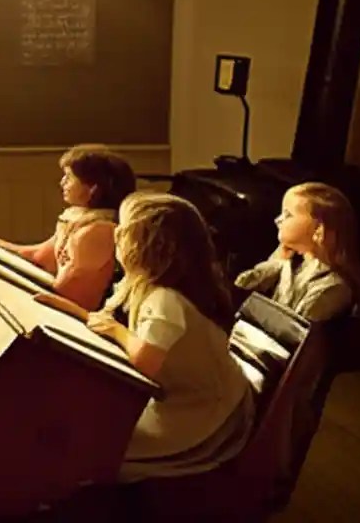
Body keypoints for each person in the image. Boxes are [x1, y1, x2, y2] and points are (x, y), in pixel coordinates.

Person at [37, 192, 254, 481]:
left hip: (200, 416)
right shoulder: (142, 286)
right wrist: (75, 312)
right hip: (188, 399)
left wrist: (116, 331)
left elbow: (147, 359)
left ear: (151, 246)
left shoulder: (165, 299)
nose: (116, 233)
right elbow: (103, 322)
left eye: (125, 229)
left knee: (94, 445)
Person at [0, 144, 136, 312]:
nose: (62, 182)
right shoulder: (76, 220)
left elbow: (71, 296)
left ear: (92, 189)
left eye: (69, 177)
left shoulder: (98, 231)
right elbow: (38, 256)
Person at [233, 182, 360, 322]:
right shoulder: (294, 262)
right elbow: (243, 285)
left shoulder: (333, 289)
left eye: (288, 215)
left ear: (318, 229)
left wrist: (282, 268)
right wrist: (277, 263)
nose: (277, 220)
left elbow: (293, 328)